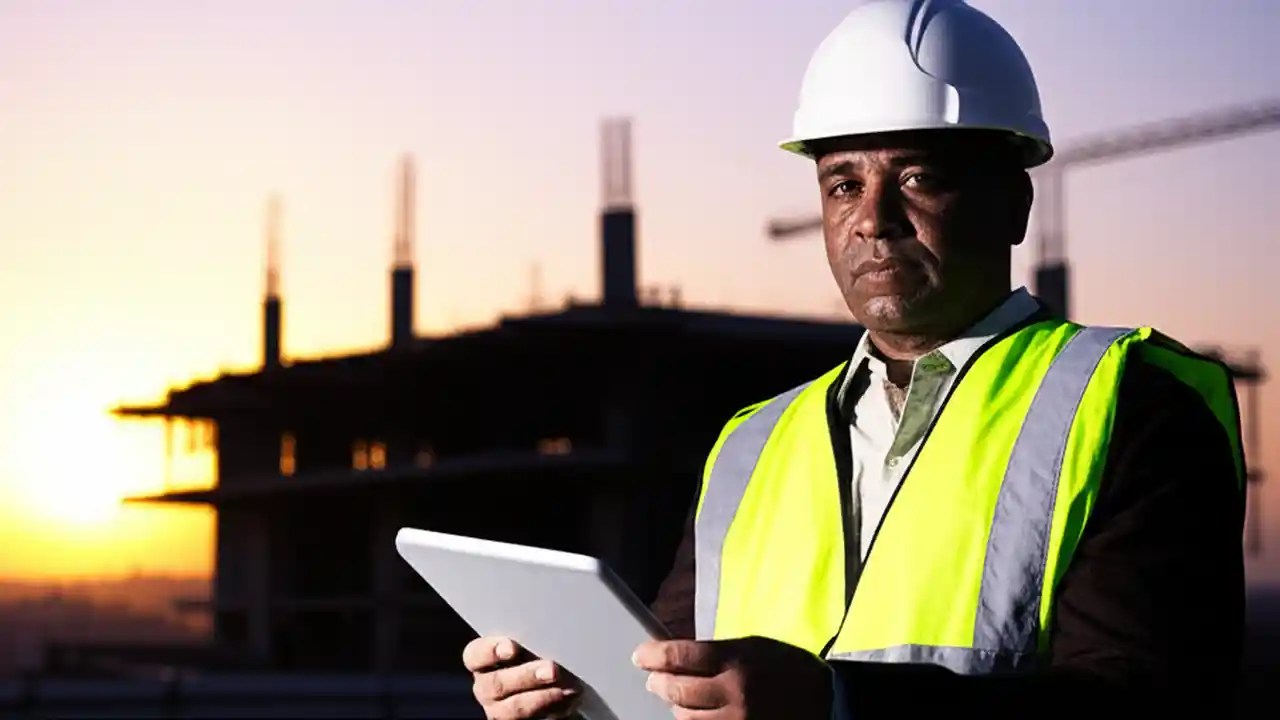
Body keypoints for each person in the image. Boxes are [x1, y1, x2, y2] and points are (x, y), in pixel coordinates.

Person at [462, 1, 1246, 717]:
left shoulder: (1129, 401)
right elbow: (672, 688)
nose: (873, 220)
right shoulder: (751, 446)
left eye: (917, 176)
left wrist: (839, 705)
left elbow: (1147, 700)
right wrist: (575, 702)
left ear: (1015, 203)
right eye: (843, 184)